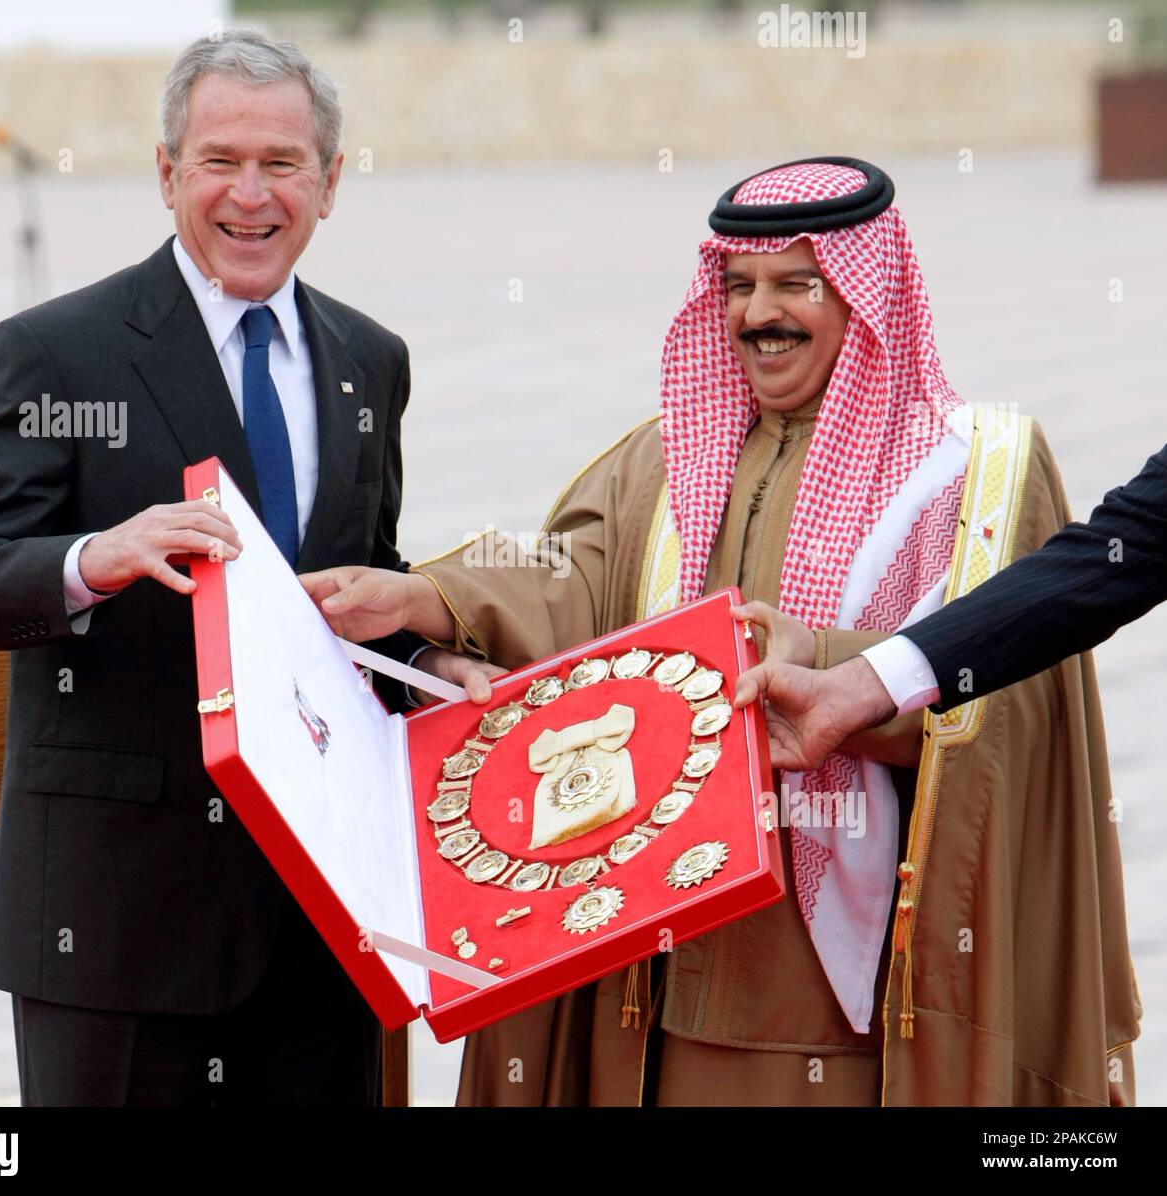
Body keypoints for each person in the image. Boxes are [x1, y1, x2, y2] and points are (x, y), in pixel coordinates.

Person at [302, 158, 1140, 1106]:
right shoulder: (662, 457)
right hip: (662, 968)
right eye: (739, 287)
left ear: (867, 296)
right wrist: (420, 599)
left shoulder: (971, 473)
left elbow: (1001, 707)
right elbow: (574, 578)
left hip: (845, 996)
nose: (757, 314)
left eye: (796, 285)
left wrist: (825, 665)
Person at [0, 30, 424, 1106]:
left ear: (328, 184)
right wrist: (97, 558)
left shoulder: (370, 358)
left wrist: (435, 644)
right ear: (165, 174)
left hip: (323, 927)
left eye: (281, 164)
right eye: (218, 161)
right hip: (116, 930)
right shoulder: (55, 351)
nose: (250, 194)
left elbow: (362, 574)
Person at [733, 443, 1167, 769]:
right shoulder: (668, 454)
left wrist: (824, 654)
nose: (756, 316)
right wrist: (853, 687)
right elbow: (1122, 549)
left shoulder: (983, 454)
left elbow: (1004, 730)